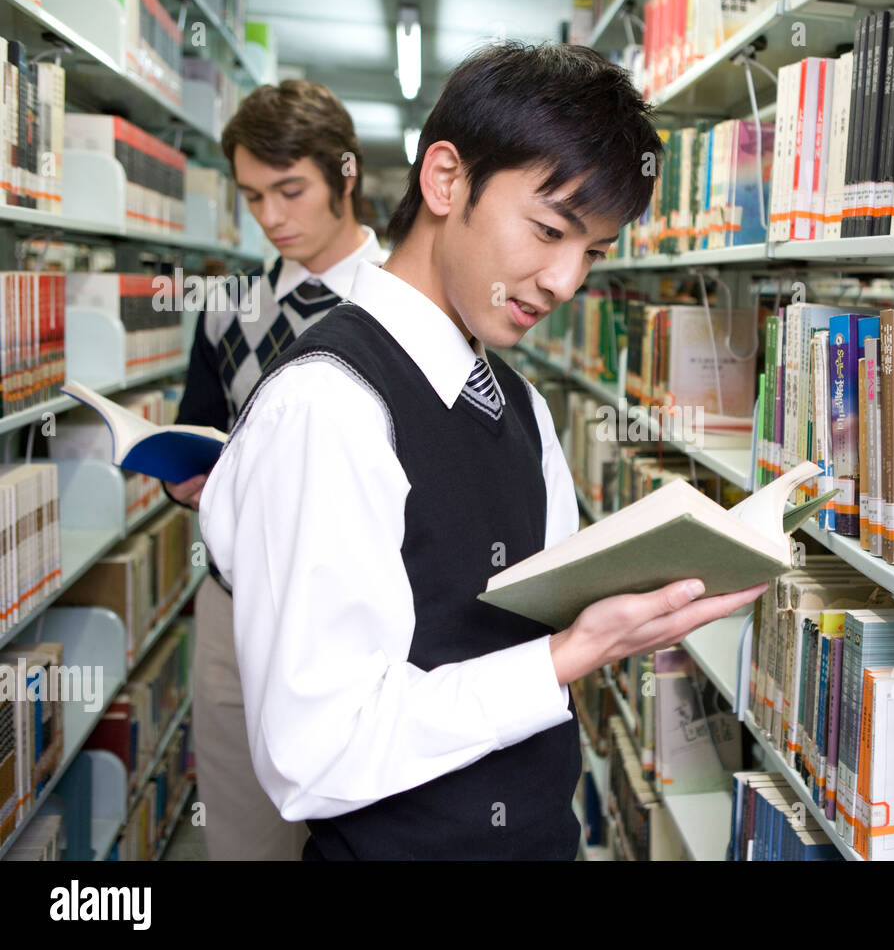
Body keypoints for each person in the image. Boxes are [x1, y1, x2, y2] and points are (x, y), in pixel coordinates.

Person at [197, 42, 766, 860]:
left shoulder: (523, 406)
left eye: (594, 253)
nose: (566, 281)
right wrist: (570, 655)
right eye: (548, 230)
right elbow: (312, 755)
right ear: (445, 180)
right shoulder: (325, 407)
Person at [162, 80, 388, 860]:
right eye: (253, 196)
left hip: (370, 610)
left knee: (360, 830)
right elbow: (202, 424)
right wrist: (182, 476)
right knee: (244, 828)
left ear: (345, 175)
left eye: (290, 190)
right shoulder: (227, 306)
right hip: (237, 605)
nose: (271, 217)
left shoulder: (408, 304)